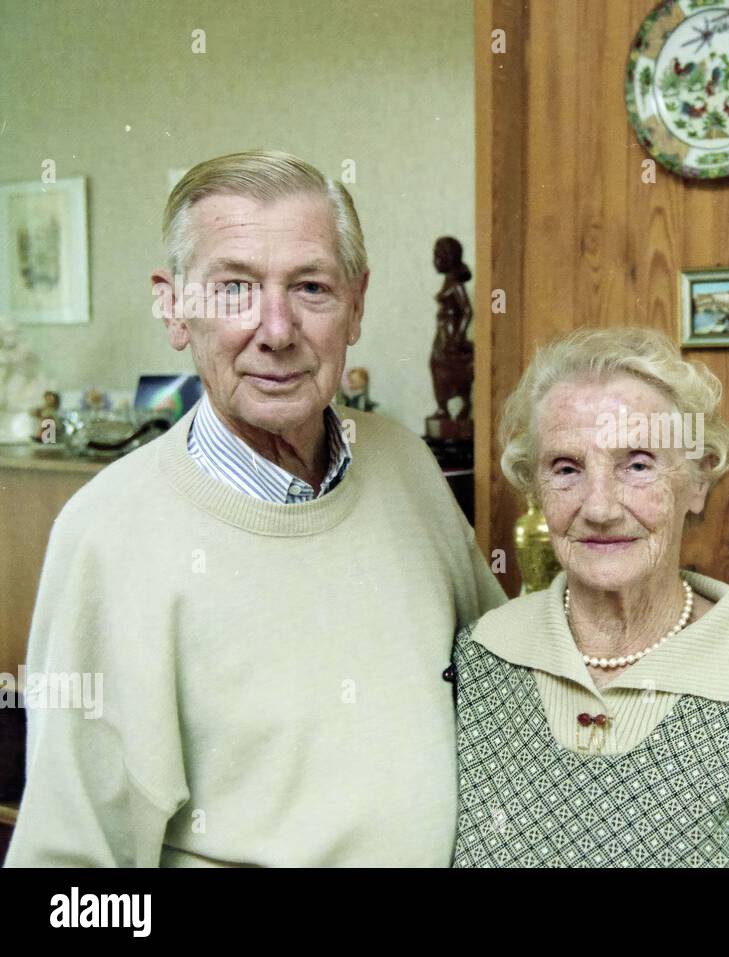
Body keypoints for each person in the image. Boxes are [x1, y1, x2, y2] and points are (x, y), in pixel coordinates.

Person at [7, 150, 505, 866]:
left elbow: (500, 682)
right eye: (233, 288)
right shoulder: (106, 537)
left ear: (356, 305)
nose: (275, 330)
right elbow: (70, 883)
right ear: (174, 306)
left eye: (310, 287)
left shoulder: (405, 462)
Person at [451, 326, 729, 867]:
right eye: (567, 468)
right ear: (535, 489)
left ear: (698, 482)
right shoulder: (483, 657)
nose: (601, 507)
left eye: (637, 465)